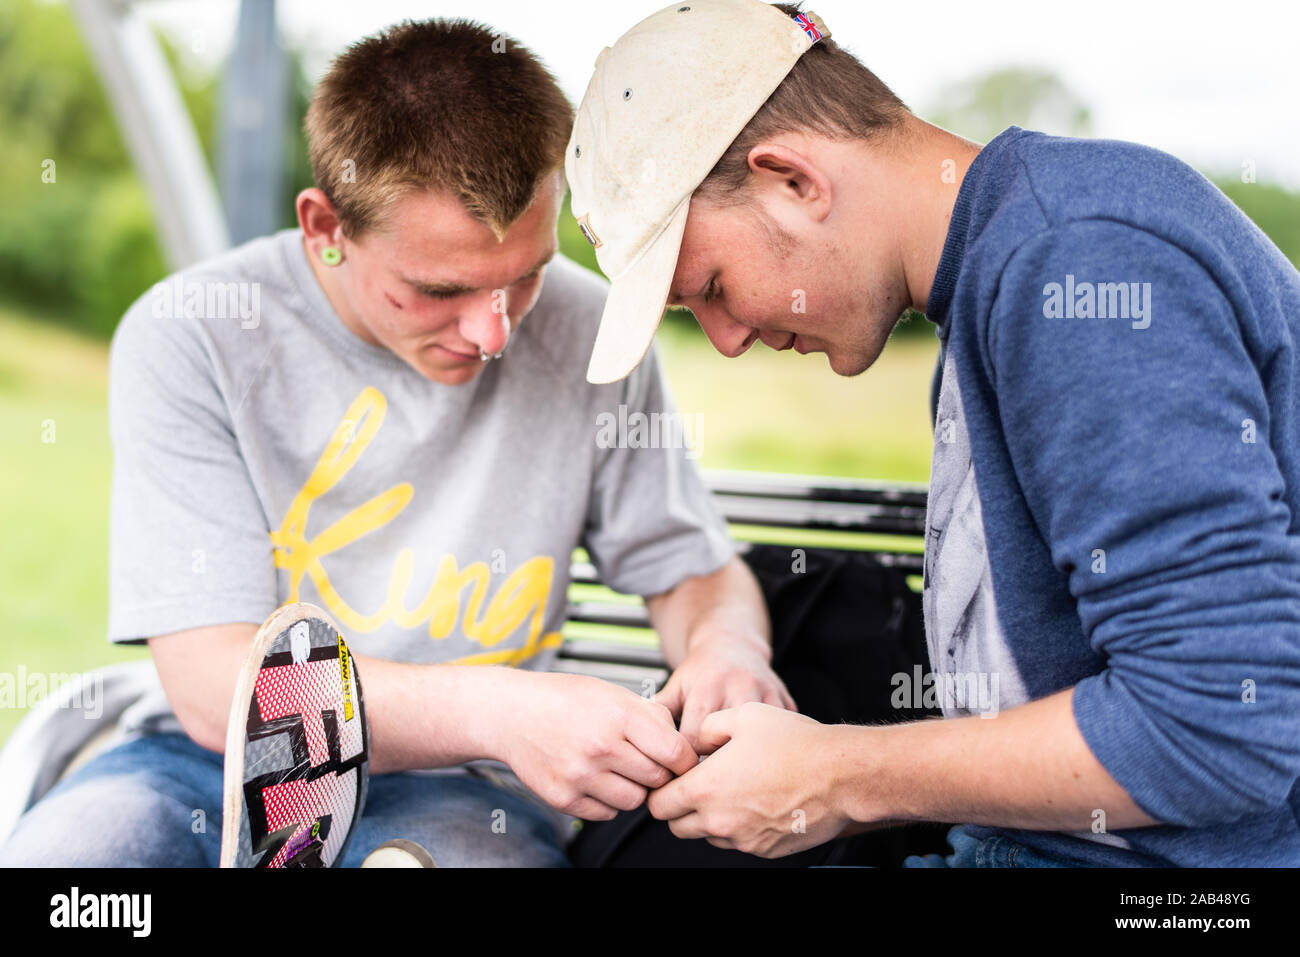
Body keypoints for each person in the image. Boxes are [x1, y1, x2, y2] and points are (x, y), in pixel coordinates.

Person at [0, 17, 794, 868]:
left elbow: (692, 574)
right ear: (324, 228)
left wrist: (727, 651)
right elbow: (208, 686)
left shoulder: (587, 332)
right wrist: (504, 711)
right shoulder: (191, 336)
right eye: (438, 289)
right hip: (202, 765)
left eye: (524, 275)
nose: (494, 332)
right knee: (77, 859)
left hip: (463, 792)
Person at [565, 0, 1300, 866]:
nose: (725, 339)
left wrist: (834, 776)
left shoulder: (1074, 264)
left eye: (714, 287)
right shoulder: (999, 269)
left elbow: (1219, 725)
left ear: (792, 181)